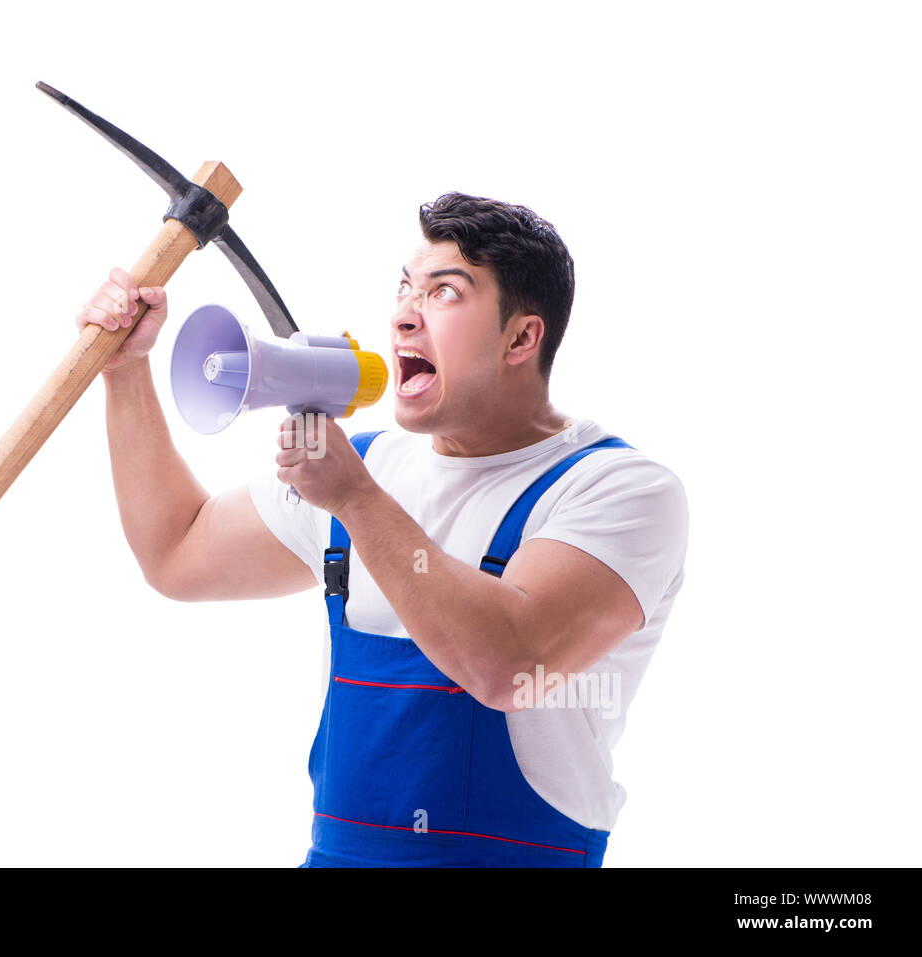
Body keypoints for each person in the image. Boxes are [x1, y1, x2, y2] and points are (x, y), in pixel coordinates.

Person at [77, 193, 689, 867]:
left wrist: (356, 501)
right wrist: (124, 371)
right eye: (404, 286)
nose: (403, 313)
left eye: (444, 293)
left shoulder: (618, 490)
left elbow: (512, 665)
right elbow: (176, 550)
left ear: (521, 338)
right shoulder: (362, 465)